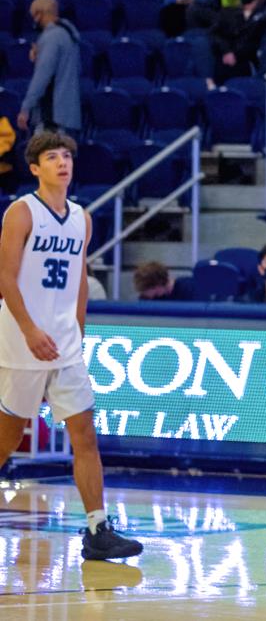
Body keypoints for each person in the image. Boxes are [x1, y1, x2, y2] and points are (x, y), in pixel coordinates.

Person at [0, 131, 143, 560]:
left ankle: (98, 528)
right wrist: (28, 329)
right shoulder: (21, 212)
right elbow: (5, 277)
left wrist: (77, 332)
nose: (63, 163)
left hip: (64, 343)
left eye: (66, 156)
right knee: (6, 440)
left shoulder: (82, 216)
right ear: (34, 168)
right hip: (20, 340)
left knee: (85, 434)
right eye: (51, 157)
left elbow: (79, 278)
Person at [17, 0, 81, 135]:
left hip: (51, 116)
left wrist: (26, 108)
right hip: (65, 114)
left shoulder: (52, 37)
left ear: (39, 14)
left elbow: (43, 76)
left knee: (45, 155)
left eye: (34, 15)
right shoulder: (68, 34)